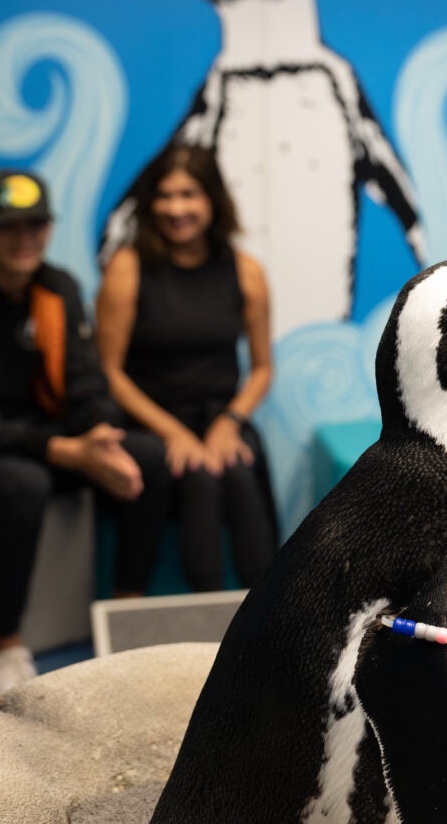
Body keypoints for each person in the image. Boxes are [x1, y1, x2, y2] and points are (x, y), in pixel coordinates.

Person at [0, 168, 170, 697]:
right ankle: (3, 647)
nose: (24, 238)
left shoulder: (58, 286)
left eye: (35, 225)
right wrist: (64, 451)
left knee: (147, 457)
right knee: (23, 484)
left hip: (42, 441)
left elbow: (86, 381)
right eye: (7, 227)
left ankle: (126, 616)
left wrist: (100, 438)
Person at [95, 143, 278, 595]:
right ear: (149, 203)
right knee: (195, 474)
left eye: (189, 194)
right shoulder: (127, 267)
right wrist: (172, 433)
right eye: (165, 195)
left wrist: (229, 423)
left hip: (221, 413)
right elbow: (109, 372)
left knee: (237, 471)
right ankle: (180, 606)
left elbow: (262, 369)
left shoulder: (246, 270)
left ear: (212, 200)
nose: (176, 208)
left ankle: (271, 613)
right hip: (146, 418)